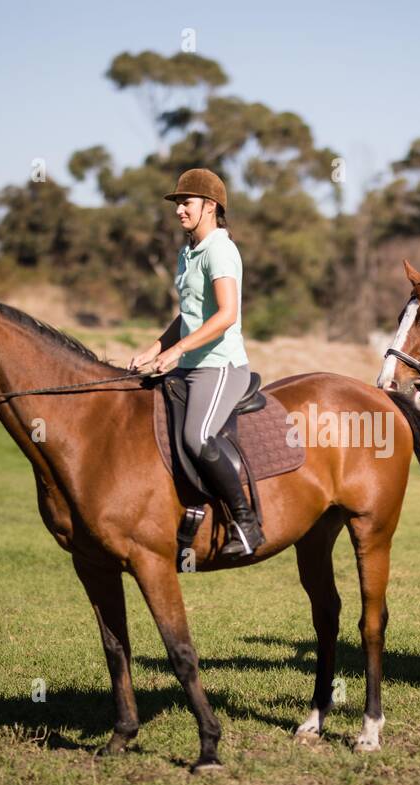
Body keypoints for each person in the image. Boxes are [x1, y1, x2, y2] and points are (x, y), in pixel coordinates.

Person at [129, 168, 265, 557]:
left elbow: (225, 315)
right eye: (177, 204)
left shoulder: (220, 250)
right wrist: (156, 347)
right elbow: (188, 315)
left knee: (197, 436)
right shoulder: (187, 252)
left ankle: (246, 523)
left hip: (220, 367)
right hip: (189, 366)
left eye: (185, 203)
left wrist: (176, 351)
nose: (178, 211)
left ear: (210, 206)